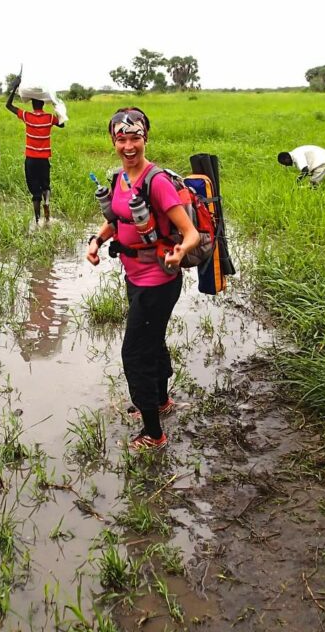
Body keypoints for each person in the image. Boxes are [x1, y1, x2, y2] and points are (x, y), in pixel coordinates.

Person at [86, 107, 200, 451]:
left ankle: (153, 433)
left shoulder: (158, 181)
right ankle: (162, 402)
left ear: (145, 138)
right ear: (113, 141)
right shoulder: (119, 179)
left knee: (134, 354)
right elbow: (117, 218)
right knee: (153, 341)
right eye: (121, 139)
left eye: (135, 137)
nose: (128, 145)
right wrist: (97, 240)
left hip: (159, 281)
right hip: (134, 277)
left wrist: (180, 252)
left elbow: (190, 232)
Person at [5, 75, 64, 223]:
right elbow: (62, 124)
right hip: (44, 159)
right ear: (43, 104)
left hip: (31, 160)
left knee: (35, 192)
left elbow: (9, 106)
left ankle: (37, 221)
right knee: (46, 185)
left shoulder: (27, 116)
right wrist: (56, 106)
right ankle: (47, 202)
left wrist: (14, 88)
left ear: (32, 104)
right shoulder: (50, 118)